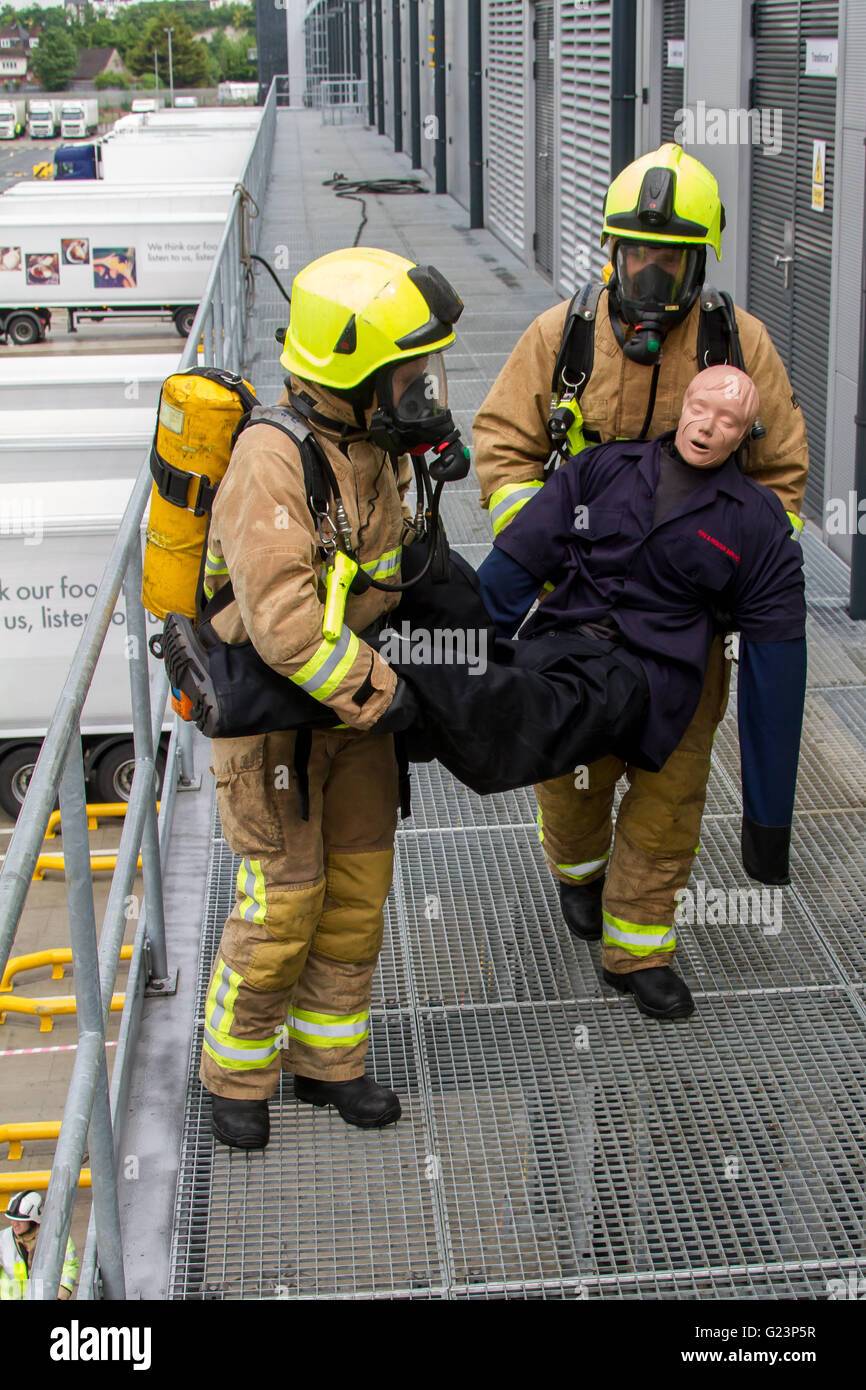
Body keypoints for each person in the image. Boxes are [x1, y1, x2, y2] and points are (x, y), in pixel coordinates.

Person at [472, 142, 809, 1019]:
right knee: (574, 776)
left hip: (684, 629)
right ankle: (578, 874)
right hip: (575, 608)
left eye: (670, 260)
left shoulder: (741, 346)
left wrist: (736, 578)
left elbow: (780, 482)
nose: (650, 277)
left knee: (671, 788)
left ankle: (638, 950)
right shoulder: (563, 336)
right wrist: (545, 543)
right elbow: (503, 449)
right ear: (611, 251)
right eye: (635, 256)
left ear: (700, 261)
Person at [378, 367, 806, 1020]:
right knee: (571, 791)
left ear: (747, 434)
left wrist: (768, 824)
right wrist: (453, 674)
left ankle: (640, 954)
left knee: (666, 814)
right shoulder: (603, 470)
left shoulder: (755, 522)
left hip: (676, 685)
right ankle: (579, 877)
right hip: (571, 659)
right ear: (681, 406)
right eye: (700, 408)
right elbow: (516, 564)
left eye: (728, 421)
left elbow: (777, 663)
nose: (707, 425)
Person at [198, 246, 464, 1149]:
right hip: (279, 729)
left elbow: (382, 575)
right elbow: (282, 623)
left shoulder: (369, 445)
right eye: (407, 376)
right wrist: (385, 693)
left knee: (357, 891)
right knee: (284, 900)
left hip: (353, 717)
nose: (421, 389)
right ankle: (235, 1071)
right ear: (350, 379)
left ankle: (329, 1065)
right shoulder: (271, 462)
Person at [0, 1190, 78, 1300]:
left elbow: (70, 1264)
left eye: (20, 1220)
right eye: (12, 1219)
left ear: (34, 1219)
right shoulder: (2, 1239)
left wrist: (63, 1290)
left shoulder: (55, 1237)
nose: (14, 1224)